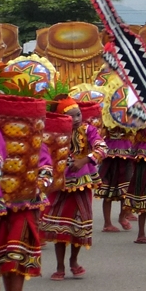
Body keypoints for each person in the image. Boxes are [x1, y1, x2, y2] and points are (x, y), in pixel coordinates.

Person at [0, 96, 53, 291]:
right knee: (1, 248)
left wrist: (37, 186)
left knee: (15, 248)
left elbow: (47, 171)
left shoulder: (35, 142)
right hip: (0, 204)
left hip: (25, 205)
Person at [41, 98, 106, 279]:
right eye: (71, 117)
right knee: (59, 225)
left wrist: (84, 160)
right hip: (60, 185)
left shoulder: (88, 130)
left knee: (79, 225)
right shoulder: (55, 133)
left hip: (82, 185)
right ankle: (60, 266)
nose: (76, 119)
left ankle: (73, 261)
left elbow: (102, 148)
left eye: (78, 114)